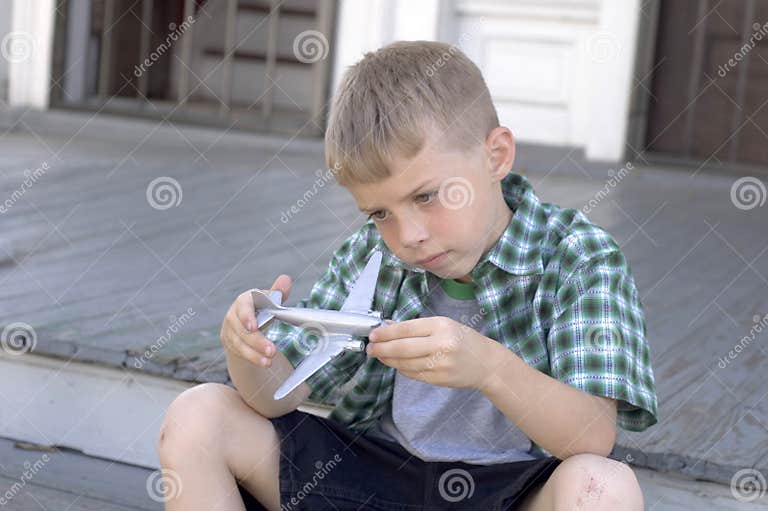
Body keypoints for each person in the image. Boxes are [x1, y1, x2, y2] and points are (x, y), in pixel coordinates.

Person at [158, 40, 658, 510]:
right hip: (373, 478)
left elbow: (593, 437)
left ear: (496, 155)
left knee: (602, 486)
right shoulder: (372, 256)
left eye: (426, 196)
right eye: (379, 213)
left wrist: (489, 367)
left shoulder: (578, 258)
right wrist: (248, 350)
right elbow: (278, 398)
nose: (408, 235)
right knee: (199, 413)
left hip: (505, 490)